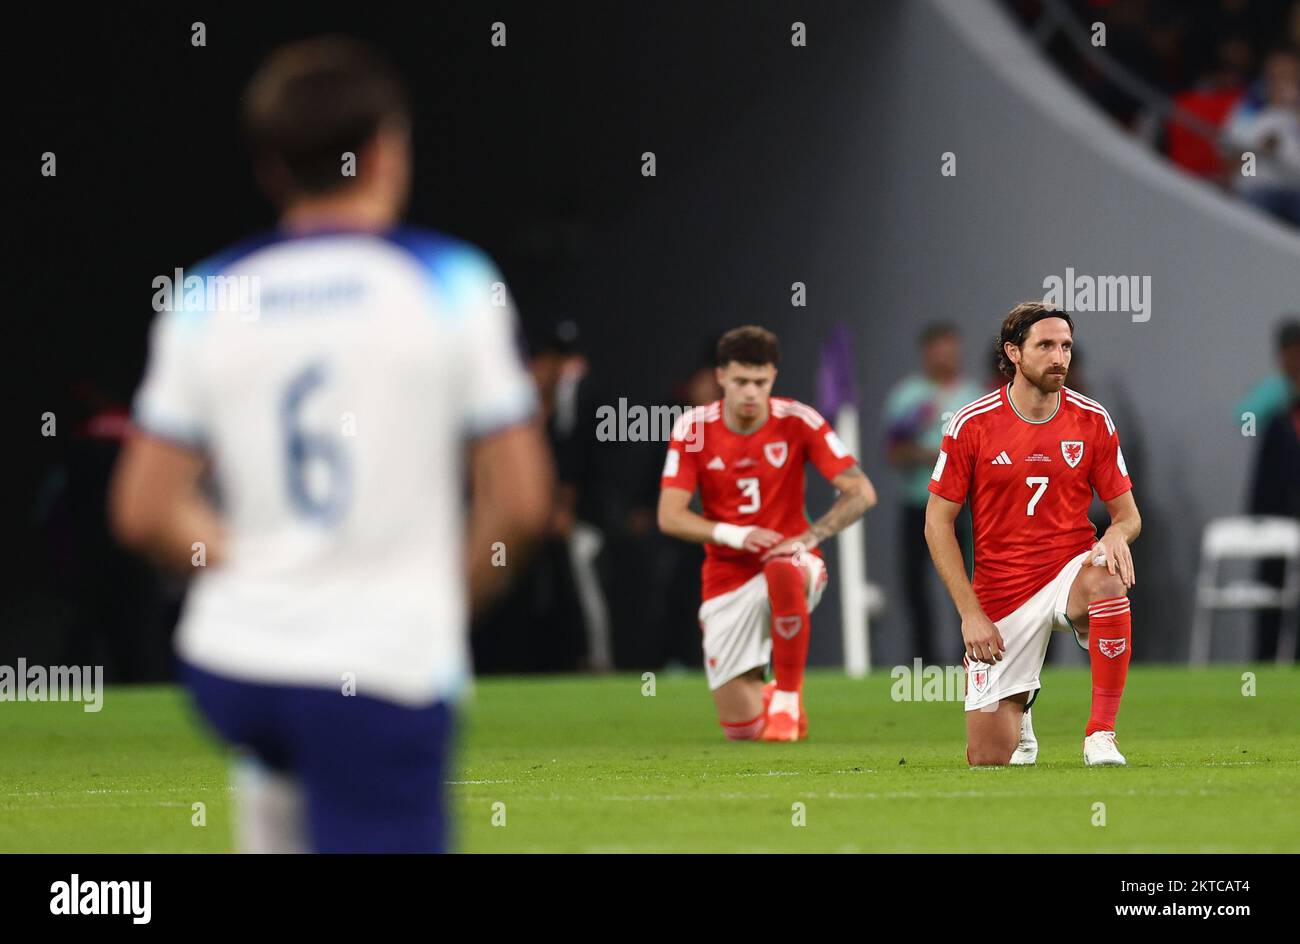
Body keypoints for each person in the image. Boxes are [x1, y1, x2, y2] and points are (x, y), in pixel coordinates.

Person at [108, 37, 552, 852]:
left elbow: (144, 511)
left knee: (285, 810)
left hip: (235, 661)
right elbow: (520, 501)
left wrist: (259, 567)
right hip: (376, 664)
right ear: (385, 150)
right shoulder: (451, 282)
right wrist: (434, 599)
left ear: (271, 167)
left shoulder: (209, 293)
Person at [925, 302, 1141, 767]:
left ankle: (1100, 733)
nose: (1059, 357)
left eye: (1065, 345)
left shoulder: (1092, 419)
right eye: (1045, 345)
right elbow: (936, 523)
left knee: (1107, 576)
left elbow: (1128, 516)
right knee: (988, 759)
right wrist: (970, 614)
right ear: (1014, 353)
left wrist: (1115, 536)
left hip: (1069, 570)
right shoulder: (972, 424)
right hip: (1002, 595)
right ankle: (1020, 710)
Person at [657, 326, 876, 741]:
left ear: (773, 377)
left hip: (794, 562)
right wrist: (736, 536)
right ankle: (772, 698)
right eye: (741, 381)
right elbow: (670, 517)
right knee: (742, 730)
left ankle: (788, 702)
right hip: (727, 577)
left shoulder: (798, 420)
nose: (751, 393)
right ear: (721, 377)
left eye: (760, 382)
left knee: (782, 567)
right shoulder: (692, 429)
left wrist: (810, 538)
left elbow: (861, 492)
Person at [882, 323, 985, 664]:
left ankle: (967, 657)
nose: (948, 357)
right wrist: (931, 456)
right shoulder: (907, 397)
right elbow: (893, 453)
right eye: (940, 349)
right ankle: (924, 661)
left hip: (962, 509)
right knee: (915, 587)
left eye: (952, 349)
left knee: (967, 580)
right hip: (917, 504)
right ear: (927, 352)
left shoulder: (973, 396)